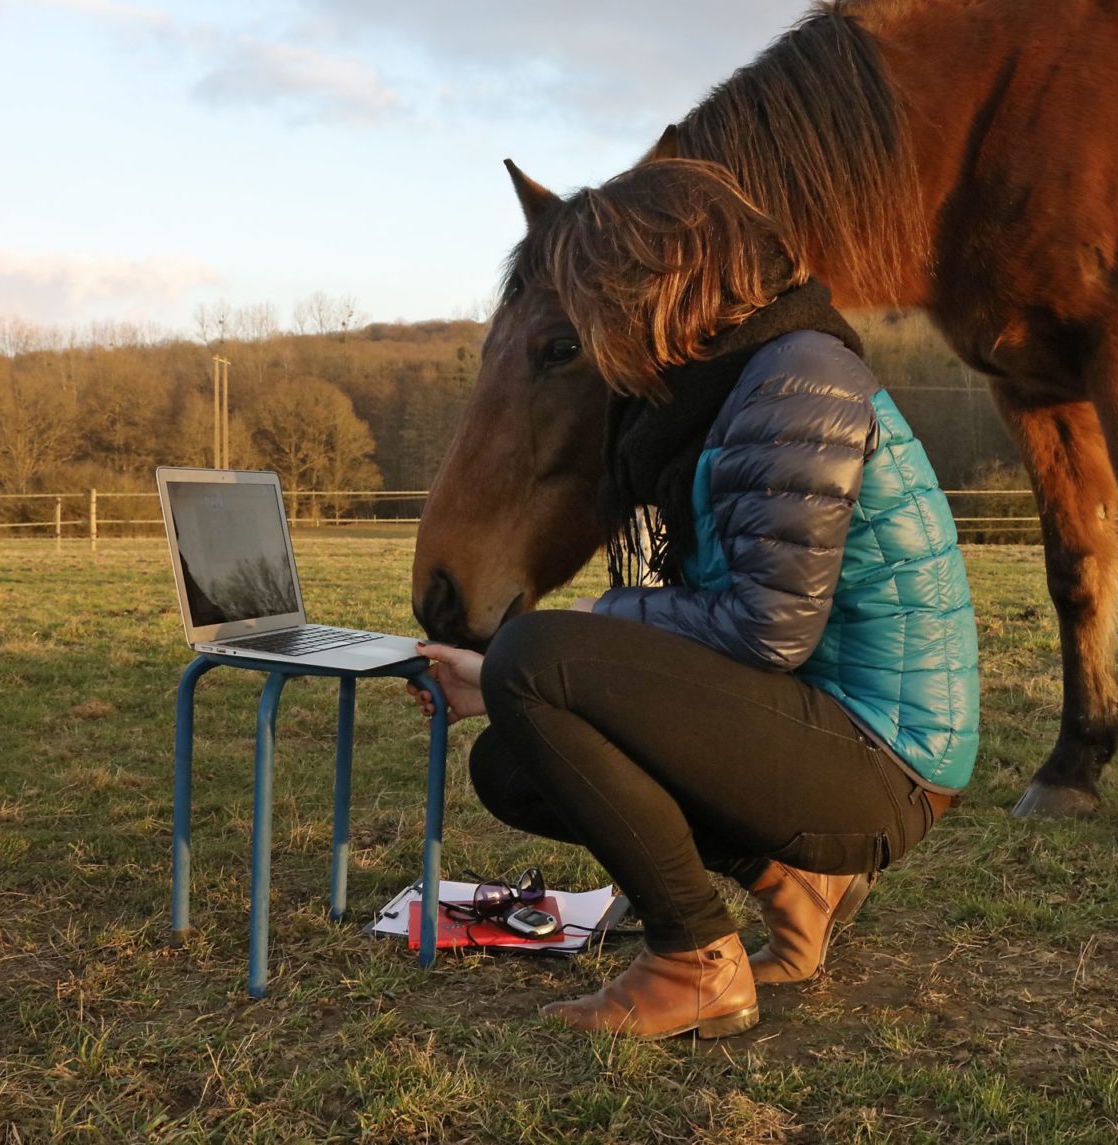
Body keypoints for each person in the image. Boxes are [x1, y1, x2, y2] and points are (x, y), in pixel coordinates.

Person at [410, 158, 978, 1040]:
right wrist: (507, 684)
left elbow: (768, 628)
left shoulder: (796, 385)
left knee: (538, 654)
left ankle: (694, 961)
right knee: (511, 764)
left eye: (604, 299)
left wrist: (578, 635)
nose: (600, 330)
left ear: (666, 280)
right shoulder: (734, 391)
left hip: (883, 761)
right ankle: (799, 885)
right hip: (819, 723)